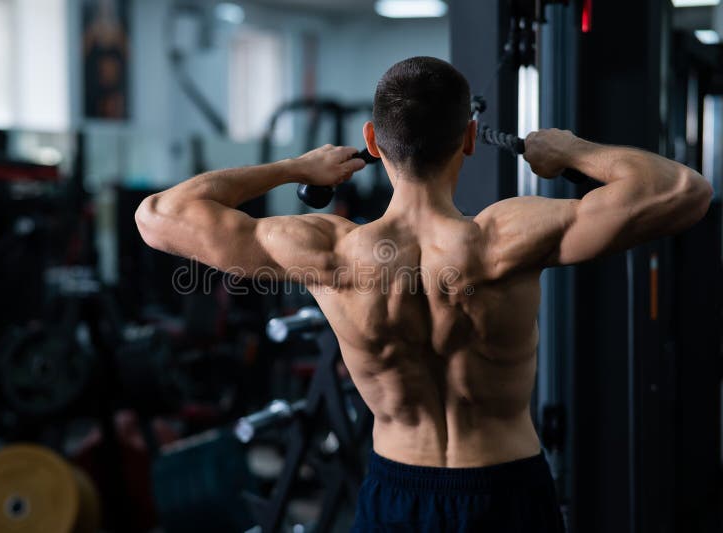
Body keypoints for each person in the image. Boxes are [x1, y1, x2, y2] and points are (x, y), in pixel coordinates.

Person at [135, 57, 712, 531]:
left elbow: (158, 217)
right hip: (505, 490)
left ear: (373, 142)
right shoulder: (506, 238)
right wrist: (570, 150)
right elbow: (684, 190)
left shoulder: (330, 252)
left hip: (397, 491)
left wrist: (295, 168)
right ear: (467, 138)